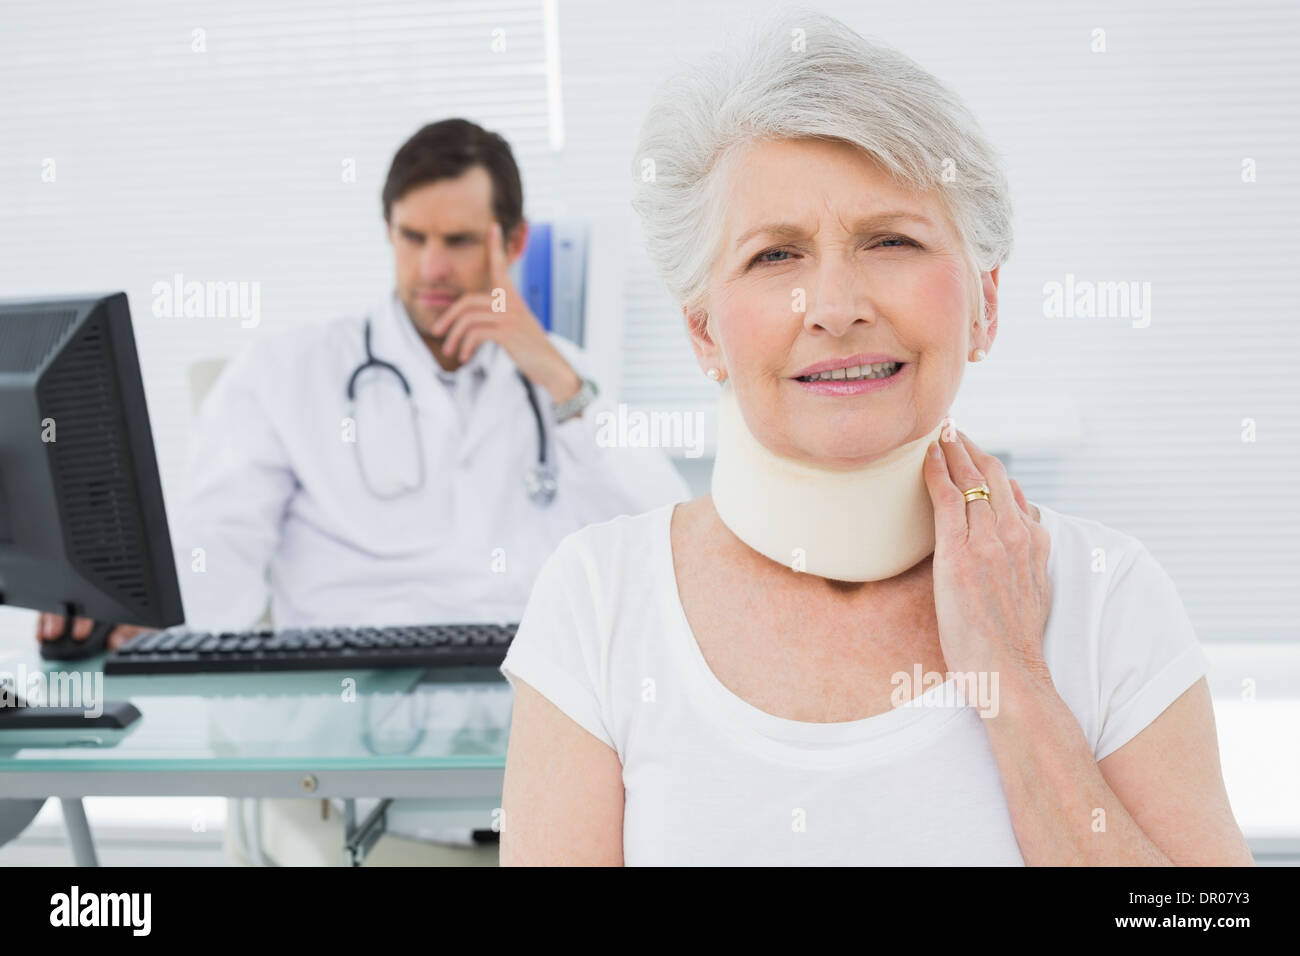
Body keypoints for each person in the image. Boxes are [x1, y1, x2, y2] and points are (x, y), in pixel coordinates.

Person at [496, 14, 1254, 865]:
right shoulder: (598, 604)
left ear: (986, 304)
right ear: (705, 333)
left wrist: (1012, 680)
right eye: (775, 255)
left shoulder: (1106, 599)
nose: (835, 305)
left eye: (891, 240)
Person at [35, 118, 691, 865]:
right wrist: (116, 613)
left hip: (553, 774)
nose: (432, 267)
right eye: (413, 238)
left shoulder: (559, 377)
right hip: (363, 764)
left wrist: (558, 376)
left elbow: (671, 548)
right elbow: (214, 562)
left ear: (512, 245)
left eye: (460, 241)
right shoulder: (289, 374)